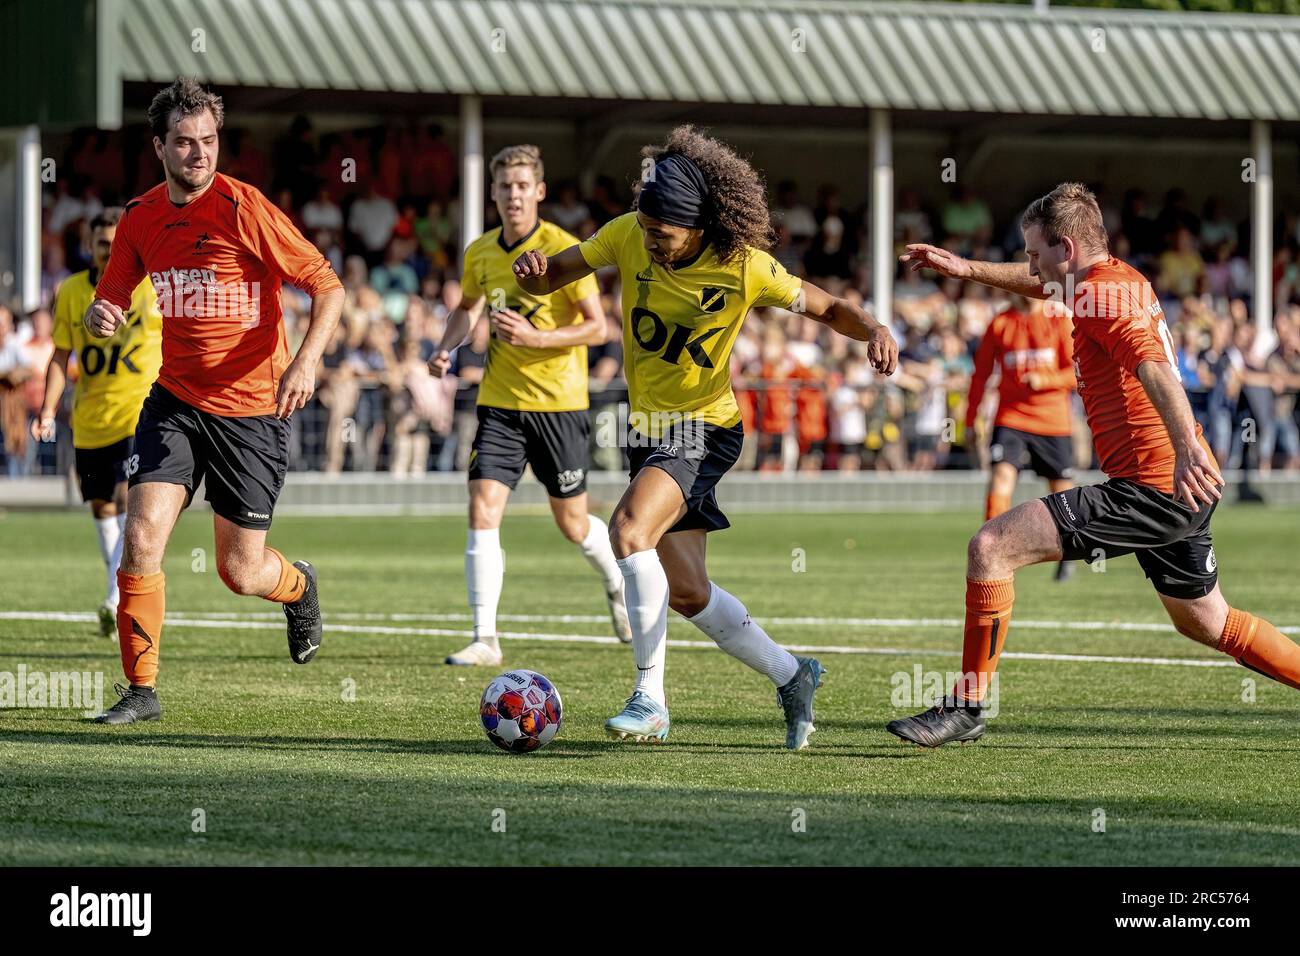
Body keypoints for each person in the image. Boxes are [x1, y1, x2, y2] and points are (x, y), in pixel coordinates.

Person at [512, 126, 898, 748]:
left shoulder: (745, 266)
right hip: (649, 430)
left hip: (704, 427)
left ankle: (650, 700)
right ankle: (791, 672)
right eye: (645, 228)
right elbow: (551, 276)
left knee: (630, 531)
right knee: (688, 592)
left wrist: (875, 327)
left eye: (662, 235)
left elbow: (826, 308)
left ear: (698, 228)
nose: (650, 242)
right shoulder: (628, 233)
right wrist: (532, 274)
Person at [890, 183, 1299, 747]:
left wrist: (1185, 447)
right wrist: (965, 269)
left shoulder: (1102, 297)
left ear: (1067, 248)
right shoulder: (1107, 280)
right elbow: (1040, 283)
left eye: (1035, 252)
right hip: (1172, 485)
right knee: (1206, 621)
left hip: (1154, 486)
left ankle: (967, 705)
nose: (1030, 265)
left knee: (991, 546)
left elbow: (1153, 366)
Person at [84, 77, 345, 724]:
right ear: (160, 147)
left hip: (253, 412)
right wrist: (100, 317)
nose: (199, 153)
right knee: (141, 538)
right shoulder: (141, 218)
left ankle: (299, 586)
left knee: (240, 571)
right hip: (174, 402)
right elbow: (109, 297)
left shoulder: (245, 207)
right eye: (184, 142)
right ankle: (141, 691)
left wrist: (306, 363)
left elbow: (327, 285)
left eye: (209, 140)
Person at [429, 145, 630, 666]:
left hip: (559, 406)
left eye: (523, 186)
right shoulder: (480, 254)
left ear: (539, 191)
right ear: (493, 192)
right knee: (482, 505)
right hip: (499, 405)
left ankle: (615, 584)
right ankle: (485, 638)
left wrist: (536, 338)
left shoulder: (565, 250)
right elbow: (465, 310)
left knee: (573, 523)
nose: (513, 194)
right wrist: (444, 347)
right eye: (504, 186)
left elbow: (598, 326)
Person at [32, 207, 163, 636]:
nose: (109, 252)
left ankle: (116, 595)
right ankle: (116, 588)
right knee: (102, 507)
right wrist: (49, 411)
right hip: (90, 420)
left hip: (137, 414)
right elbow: (60, 355)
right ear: (90, 247)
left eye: (115, 243)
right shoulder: (71, 292)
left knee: (129, 501)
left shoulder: (149, 285)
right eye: (102, 244)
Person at [965, 294, 1077, 580]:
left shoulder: (1059, 320)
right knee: (1001, 477)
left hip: (1052, 421)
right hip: (1010, 417)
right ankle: (989, 548)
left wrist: (1045, 380)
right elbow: (980, 374)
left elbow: (1077, 373)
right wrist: (970, 419)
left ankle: (1069, 552)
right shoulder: (1000, 323)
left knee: (1061, 490)